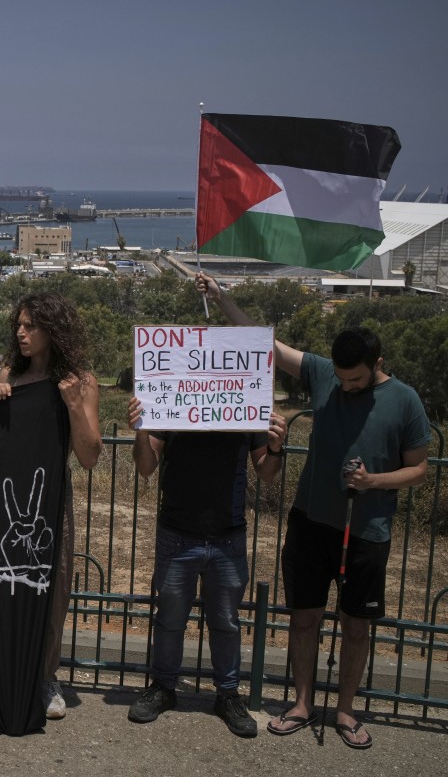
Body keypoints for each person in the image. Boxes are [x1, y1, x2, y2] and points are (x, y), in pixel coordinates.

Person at [198, 273, 430, 749]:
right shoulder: (324, 373)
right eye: (341, 379)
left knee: (356, 626)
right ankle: (302, 704)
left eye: (356, 380)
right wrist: (221, 299)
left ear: (378, 364)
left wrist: (373, 482)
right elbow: (265, 344)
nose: (346, 386)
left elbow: (419, 469)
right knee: (304, 618)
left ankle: (345, 711)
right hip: (309, 523)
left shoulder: (406, 401)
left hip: (367, 531)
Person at [125, 395, 288, 737]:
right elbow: (145, 467)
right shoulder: (170, 396)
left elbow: (267, 473)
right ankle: (163, 687)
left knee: (226, 623)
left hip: (228, 536)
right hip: (177, 533)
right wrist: (141, 430)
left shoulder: (245, 400)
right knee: (170, 619)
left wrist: (276, 448)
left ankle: (227, 695)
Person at [0, 291, 103, 719]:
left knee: (53, 588)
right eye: (18, 325)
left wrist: (72, 405)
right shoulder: (10, 375)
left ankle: (45, 677)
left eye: (30, 326)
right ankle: (5, 669)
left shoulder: (81, 382)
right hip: (5, 497)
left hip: (50, 499)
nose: (21, 332)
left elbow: (90, 455)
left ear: (53, 331)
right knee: (4, 582)